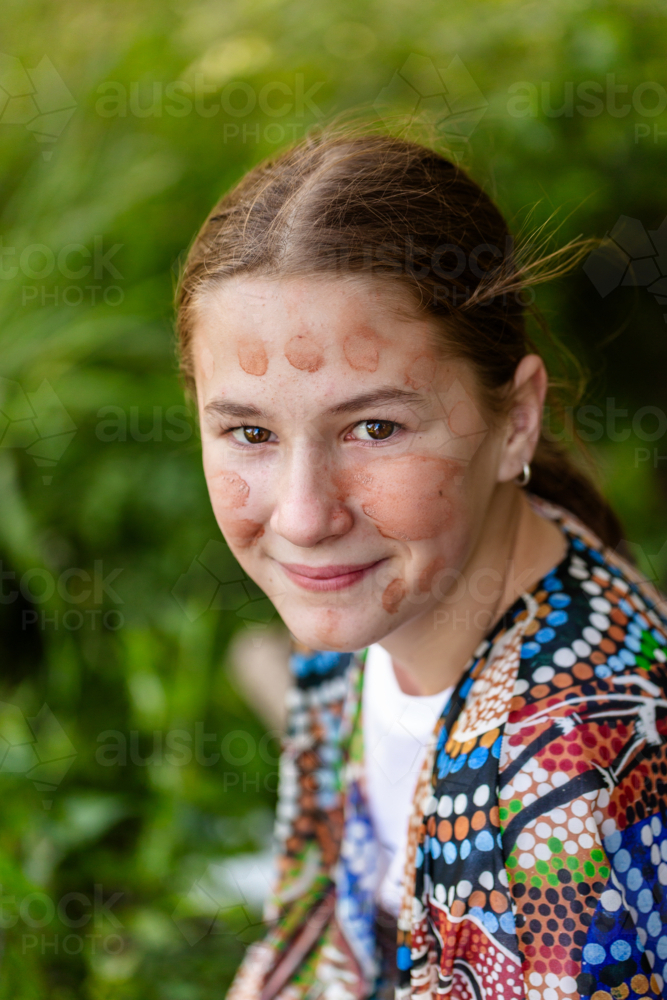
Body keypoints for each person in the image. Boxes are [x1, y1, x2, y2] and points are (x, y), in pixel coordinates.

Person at [176, 130, 667, 1000]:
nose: (304, 517)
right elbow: (314, 934)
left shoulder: (571, 775)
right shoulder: (386, 602)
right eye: (250, 432)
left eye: (374, 428)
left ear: (515, 420)